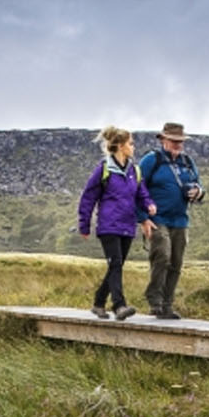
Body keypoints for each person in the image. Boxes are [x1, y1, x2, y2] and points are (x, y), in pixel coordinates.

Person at [76, 126, 155, 320]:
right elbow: (88, 197)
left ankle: (98, 302)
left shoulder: (134, 170)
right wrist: (84, 225)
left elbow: (141, 193)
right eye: (131, 143)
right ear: (120, 146)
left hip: (127, 227)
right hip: (109, 226)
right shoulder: (104, 169)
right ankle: (119, 306)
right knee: (116, 264)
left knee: (115, 266)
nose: (133, 147)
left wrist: (149, 204)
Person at [136, 121, 204, 319]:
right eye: (173, 140)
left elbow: (199, 186)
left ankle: (167, 305)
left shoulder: (188, 162)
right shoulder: (151, 160)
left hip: (180, 220)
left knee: (176, 262)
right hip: (157, 218)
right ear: (163, 140)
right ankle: (154, 300)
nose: (177, 144)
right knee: (163, 255)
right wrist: (143, 219)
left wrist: (199, 192)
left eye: (180, 141)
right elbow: (136, 188)